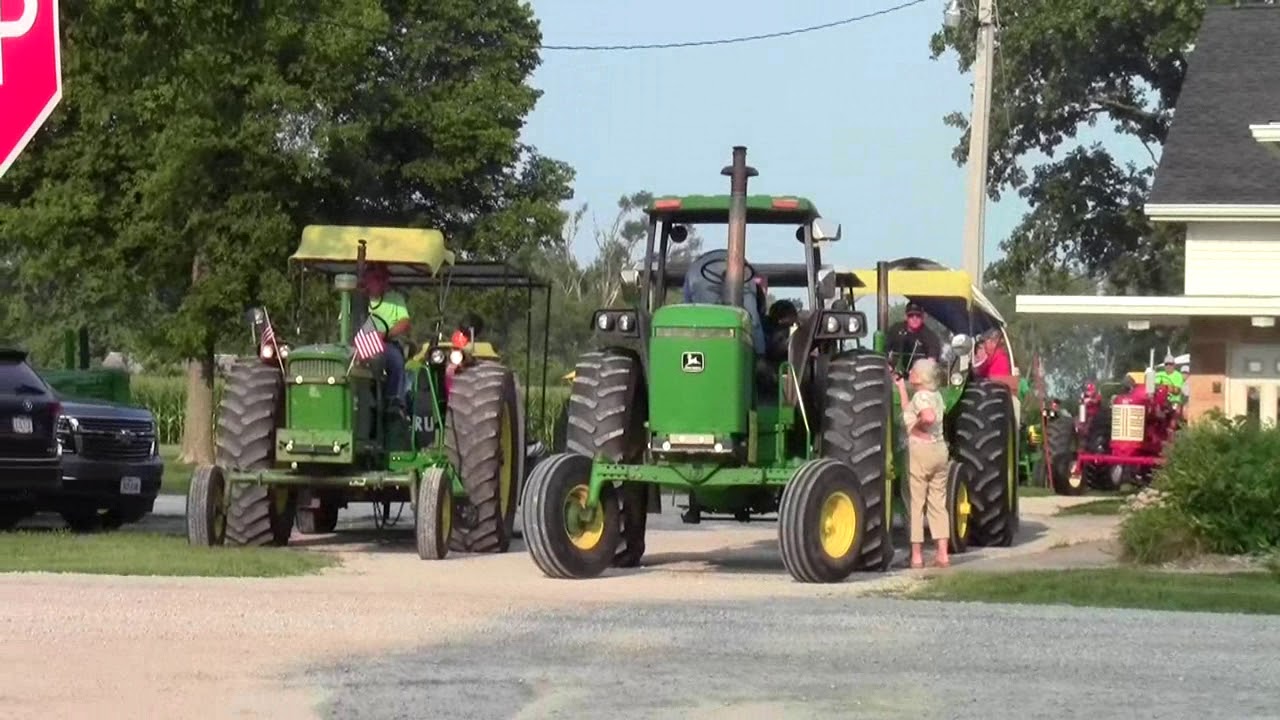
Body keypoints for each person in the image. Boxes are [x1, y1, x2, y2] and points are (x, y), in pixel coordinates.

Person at [894, 357, 951, 569]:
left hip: (921, 451)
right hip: (939, 451)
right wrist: (901, 388)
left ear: (920, 376)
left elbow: (927, 417)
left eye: (913, 371)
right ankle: (942, 554)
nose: (910, 372)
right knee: (938, 504)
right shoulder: (936, 396)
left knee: (915, 504)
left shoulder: (921, 397)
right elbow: (908, 411)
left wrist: (916, 427)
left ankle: (917, 556)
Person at [361, 262, 412, 405]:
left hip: (387, 344)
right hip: (361, 344)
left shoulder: (395, 299)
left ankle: (394, 400)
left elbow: (405, 323)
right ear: (366, 279)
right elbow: (346, 322)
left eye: (382, 278)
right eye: (374, 277)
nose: (379, 281)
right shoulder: (357, 299)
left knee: (396, 361)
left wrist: (385, 334)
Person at [886, 302, 942, 373]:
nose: (914, 318)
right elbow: (884, 349)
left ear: (922, 317)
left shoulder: (930, 336)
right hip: (894, 373)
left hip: (919, 374)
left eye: (918, 315)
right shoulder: (895, 329)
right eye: (911, 315)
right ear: (906, 317)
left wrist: (917, 371)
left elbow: (931, 361)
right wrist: (888, 366)